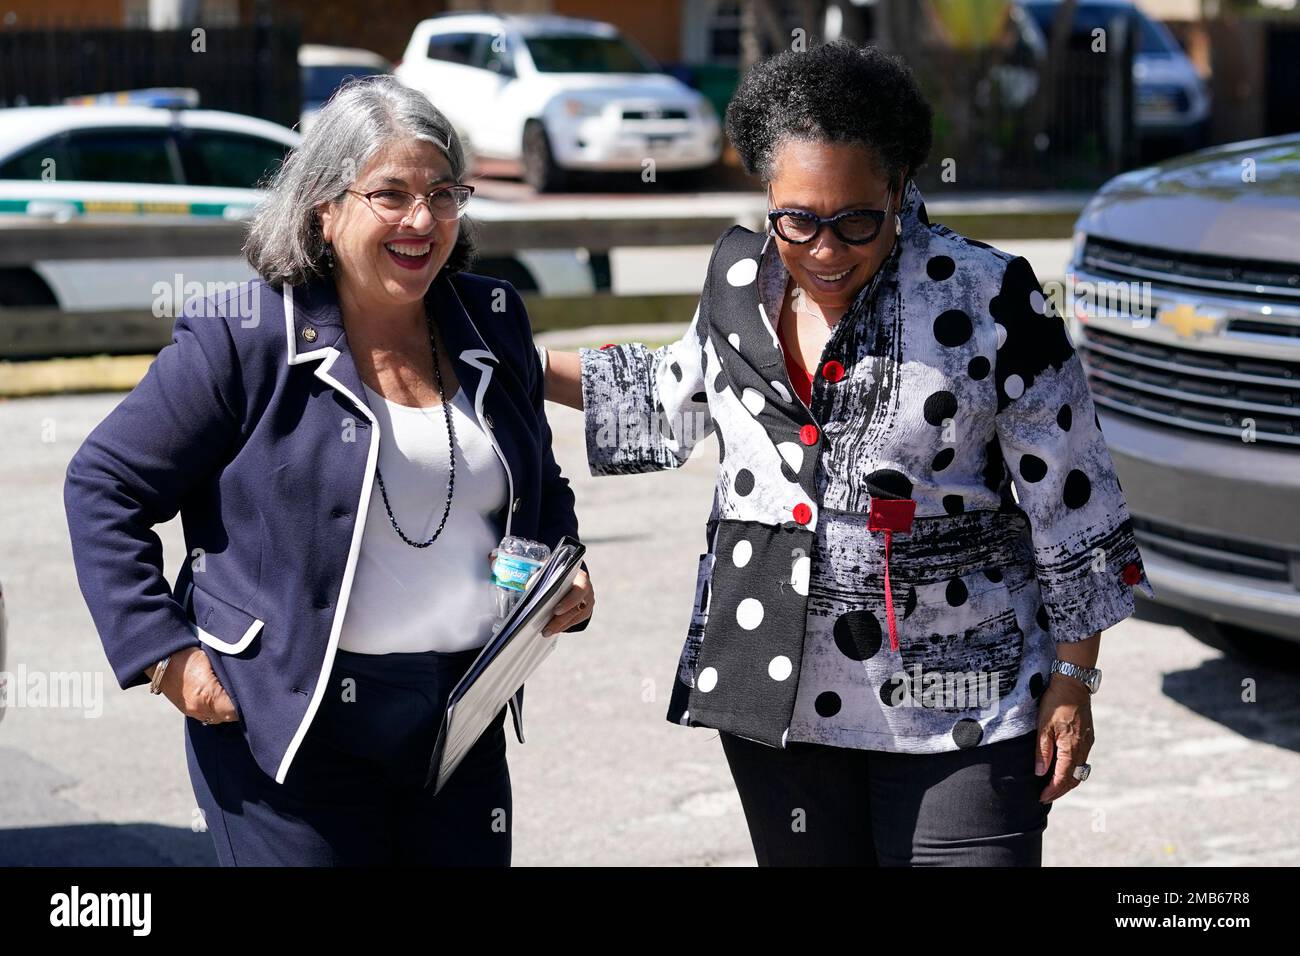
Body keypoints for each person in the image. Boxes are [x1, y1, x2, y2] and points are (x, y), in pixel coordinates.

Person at [541, 41, 1153, 866]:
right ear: (767, 197)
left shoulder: (988, 296)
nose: (825, 250)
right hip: (777, 695)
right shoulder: (736, 285)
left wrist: (1075, 684)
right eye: (797, 220)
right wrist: (514, 352)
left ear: (899, 188)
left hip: (962, 697)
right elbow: (663, 400)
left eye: (856, 220)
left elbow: (1074, 506)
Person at [63, 76, 594, 866]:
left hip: (459, 716)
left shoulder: (492, 318)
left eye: (444, 194)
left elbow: (539, 485)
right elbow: (103, 484)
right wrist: (165, 655)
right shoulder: (243, 336)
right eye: (391, 194)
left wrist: (561, 568)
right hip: (287, 719)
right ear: (324, 207)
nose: (422, 220)